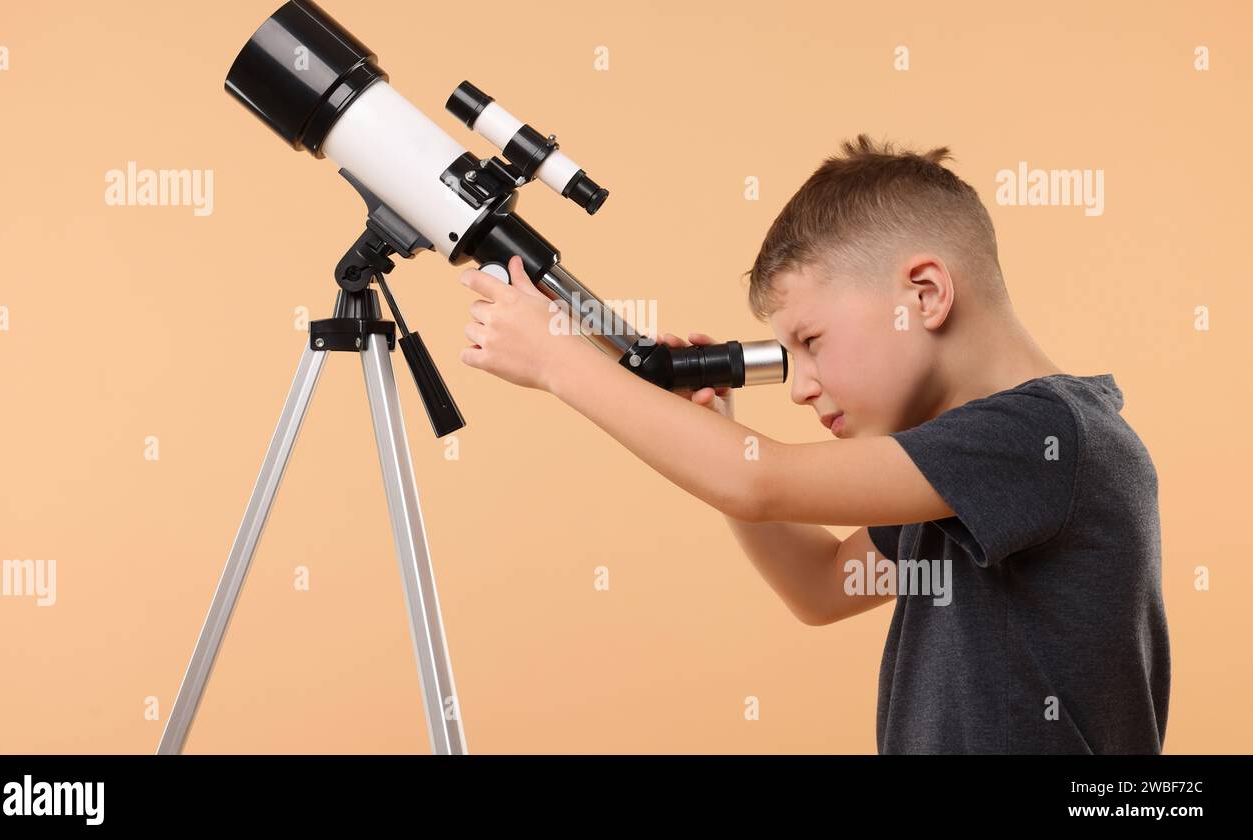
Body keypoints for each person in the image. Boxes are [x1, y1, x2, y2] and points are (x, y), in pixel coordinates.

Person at [456, 134, 1170, 754]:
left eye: (811, 342)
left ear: (923, 294)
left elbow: (760, 482)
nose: (799, 386)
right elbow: (823, 583)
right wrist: (720, 431)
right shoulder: (965, 474)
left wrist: (557, 359)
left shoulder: (1043, 436)